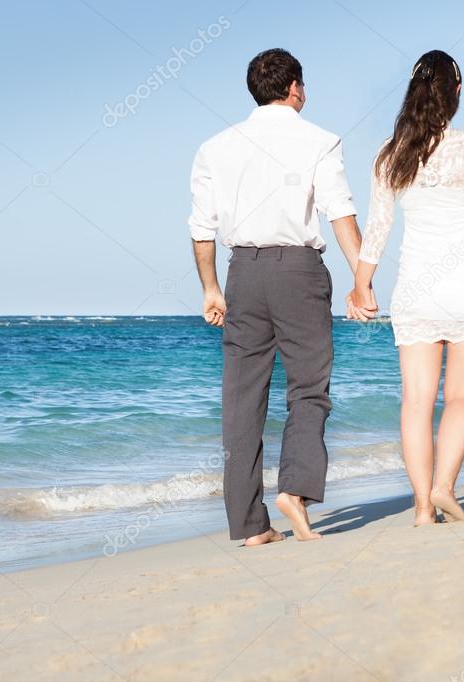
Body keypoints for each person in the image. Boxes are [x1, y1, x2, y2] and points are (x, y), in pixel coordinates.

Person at [190, 48, 374, 545]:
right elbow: (340, 214)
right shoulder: (319, 140)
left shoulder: (215, 147)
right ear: (294, 87)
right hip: (298, 270)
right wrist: (363, 281)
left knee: (241, 400)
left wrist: (210, 288)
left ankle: (250, 526)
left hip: (241, 273)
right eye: (304, 85)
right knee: (309, 387)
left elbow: (202, 229)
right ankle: (295, 490)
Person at [350, 50, 464, 526]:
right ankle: (444, 488)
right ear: (455, 92)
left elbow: (376, 228)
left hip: (415, 292)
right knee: (461, 398)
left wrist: (362, 286)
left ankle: (422, 509)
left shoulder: (390, 152)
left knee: (416, 403)